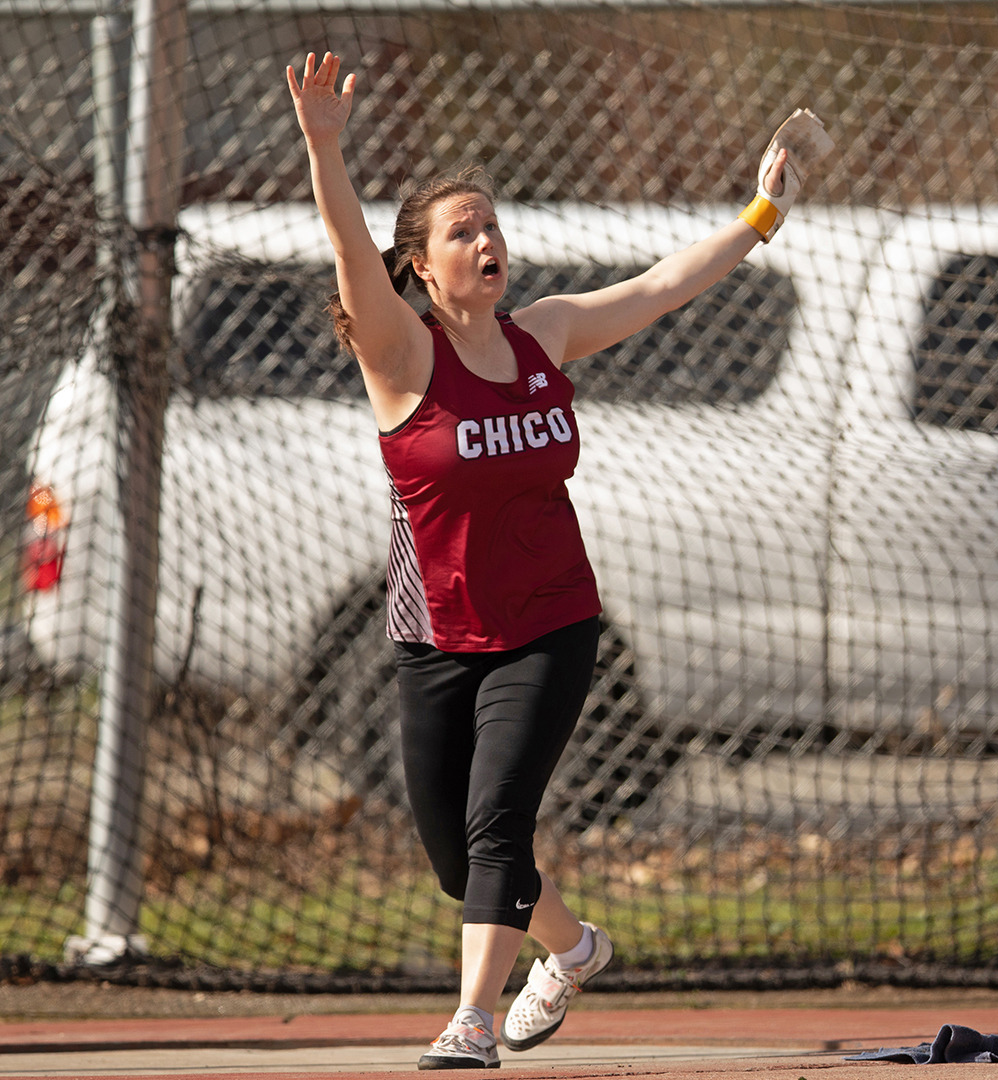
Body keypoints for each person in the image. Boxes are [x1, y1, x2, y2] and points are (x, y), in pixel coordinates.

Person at [286, 51, 826, 1068]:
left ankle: (472, 1022)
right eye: (464, 231)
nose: (488, 240)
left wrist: (762, 217)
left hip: (548, 625)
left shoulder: (545, 335)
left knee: (497, 820)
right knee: (458, 858)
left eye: (493, 225)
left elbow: (664, 286)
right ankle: (573, 949)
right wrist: (325, 148)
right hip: (436, 634)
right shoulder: (404, 357)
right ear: (424, 266)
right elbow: (350, 251)